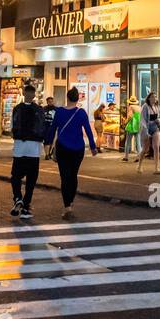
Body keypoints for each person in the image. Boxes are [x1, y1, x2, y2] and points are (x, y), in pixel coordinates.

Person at [51, 86, 97, 220]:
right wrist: (93, 147)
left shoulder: (59, 112)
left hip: (63, 148)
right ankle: (70, 202)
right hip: (78, 149)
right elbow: (88, 131)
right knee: (73, 175)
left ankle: (67, 207)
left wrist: (47, 145)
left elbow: (53, 128)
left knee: (65, 177)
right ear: (77, 99)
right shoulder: (81, 113)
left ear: (67, 98)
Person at [10, 82, 46, 219]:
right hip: (34, 149)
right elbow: (43, 128)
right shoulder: (39, 110)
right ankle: (26, 206)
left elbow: (12, 128)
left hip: (19, 148)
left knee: (15, 176)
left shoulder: (17, 109)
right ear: (34, 95)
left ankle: (18, 198)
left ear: (24, 94)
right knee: (31, 180)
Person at [137, 91, 160, 174]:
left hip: (155, 128)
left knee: (156, 147)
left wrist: (158, 120)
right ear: (148, 98)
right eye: (152, 97)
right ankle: (139, 166)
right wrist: (146, 131)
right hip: (146, 129)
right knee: (145, 149)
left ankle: (156, 168)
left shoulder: (157, 106)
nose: (154, 98)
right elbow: (142, 120)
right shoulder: (145, 107)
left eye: (155, 97)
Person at [42, 96, 57, 161]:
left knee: (52, 141)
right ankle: (47, 154)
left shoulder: (56, 109)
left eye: (51, 101)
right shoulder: (44, 109)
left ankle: (49, 153)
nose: (50, 103)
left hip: (53, 127)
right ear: (47, 102)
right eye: (49, 102)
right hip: (45, 127)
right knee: (46, 141)